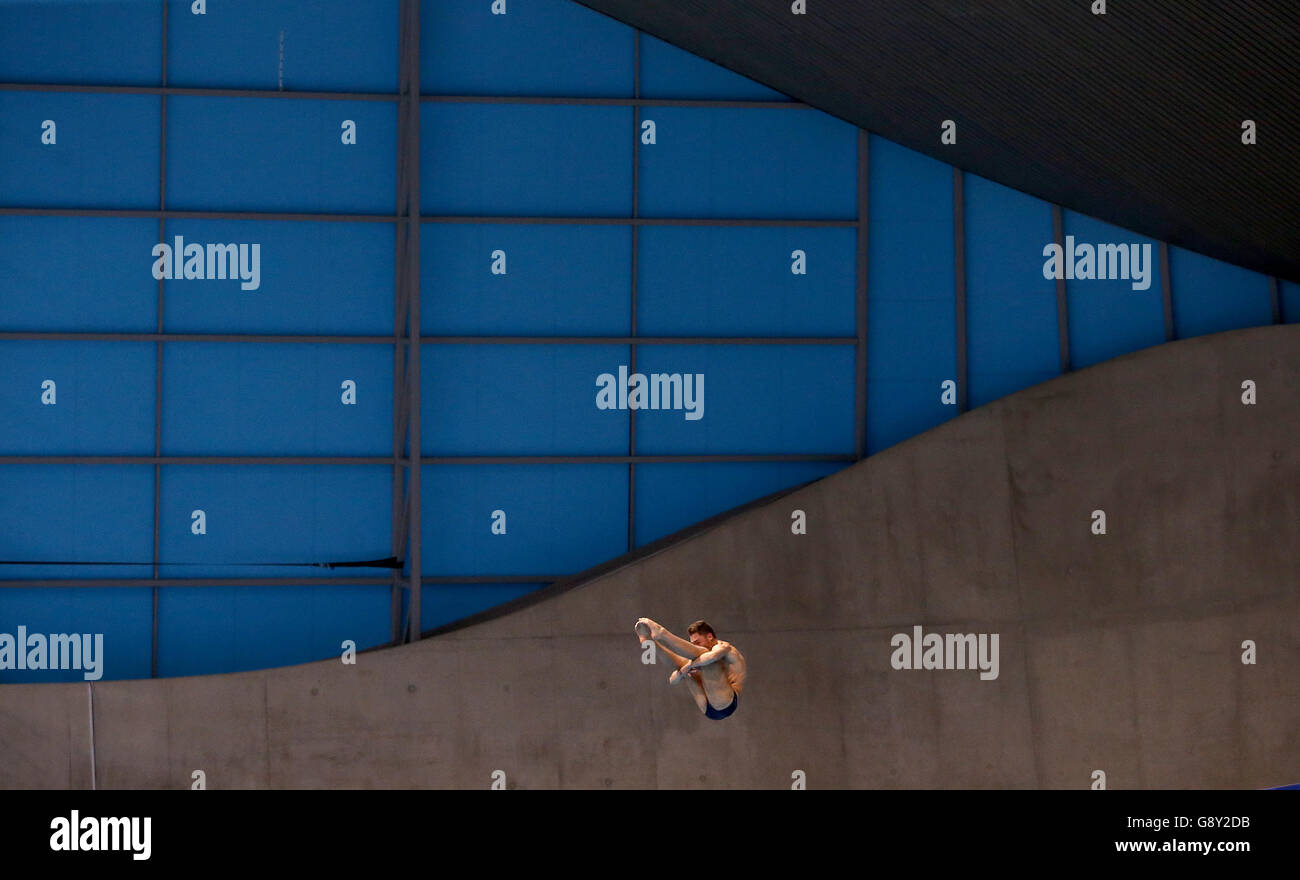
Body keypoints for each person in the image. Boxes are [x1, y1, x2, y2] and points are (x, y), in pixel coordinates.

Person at [635, 617, 746, 720]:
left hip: (725, 703)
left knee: (706, 658)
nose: (695, 647)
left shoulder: (724, 647)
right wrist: (681, 673)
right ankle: (649, 642)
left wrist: (690, 666)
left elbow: (712, 657)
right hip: (707, 708)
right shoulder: (699, 658)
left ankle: (663, 633)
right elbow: (672, 680)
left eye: (697, 643)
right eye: (693, 644)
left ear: (710, 636)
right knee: (685, 663)